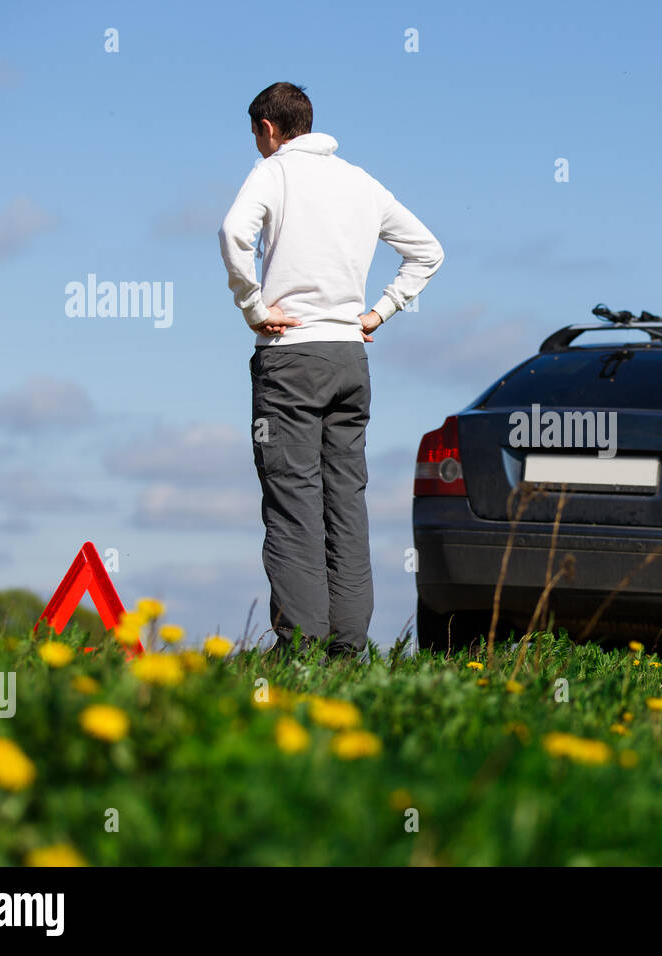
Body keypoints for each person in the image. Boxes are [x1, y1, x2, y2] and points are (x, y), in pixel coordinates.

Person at [218, 82, 444, 658]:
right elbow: (428, 250)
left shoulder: (276, 172)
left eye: (256, 138)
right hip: (350, 358)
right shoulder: (361, 182)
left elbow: (232, 233)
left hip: (291, 357)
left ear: (268, 129)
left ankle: (300, 650)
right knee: (346, 502)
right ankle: (346, 652)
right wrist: (380, 311)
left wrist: (254, 308)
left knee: (293, 502)